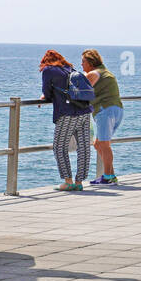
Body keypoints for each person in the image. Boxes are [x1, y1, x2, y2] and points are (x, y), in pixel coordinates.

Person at [39, 50, 91, 191]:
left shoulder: (48, 70)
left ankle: (68, 181)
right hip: (85, 112)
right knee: (84, 147)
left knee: (59, 147)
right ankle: (79, 182)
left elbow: (47, 91)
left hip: (68, 114)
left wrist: (44, 96)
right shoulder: (70, 68)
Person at [82, 49, 123, 185]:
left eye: (83, 62)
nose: (82, 65)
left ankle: (108, 177)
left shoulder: (94, 73)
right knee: (98, 144)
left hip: (105, 111)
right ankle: (110, 175)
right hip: (115, 109)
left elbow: (82, 91)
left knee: (104, 144)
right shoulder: (106, 72)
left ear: (90, 63)